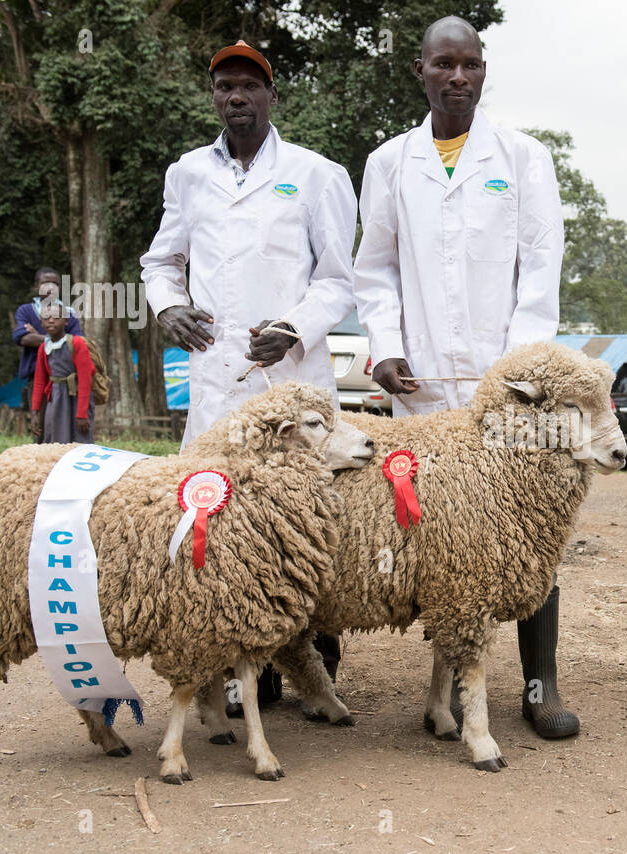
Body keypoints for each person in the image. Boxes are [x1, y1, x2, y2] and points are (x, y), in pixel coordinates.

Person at [353, 16, 574, 737]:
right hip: (419, 383)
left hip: (510, 388)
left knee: (527, 529)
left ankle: (539, 686)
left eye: (470, 65)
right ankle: (442, 690)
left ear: (484, 71)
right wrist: (383, 344)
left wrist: (521, 368)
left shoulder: (524, 156)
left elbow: (541, 266)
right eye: (443, 64)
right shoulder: (389, 161)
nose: (458, 77)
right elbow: (375, 265)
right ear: (420, 70)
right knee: (431, 535)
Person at [141, 39, 357, 707]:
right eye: (224, 85)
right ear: (214, 96)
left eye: (249, 85)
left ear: (269, 95)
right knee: (223, 517)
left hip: (289, 374)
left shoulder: (316, 172)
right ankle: (245, 660)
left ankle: (315, 645)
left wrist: (292, 327)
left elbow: (338, 281)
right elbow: (160, 261)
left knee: (300, 513)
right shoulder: (187, 173)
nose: (236, 95)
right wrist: (170, 309)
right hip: (214, 378)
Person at [13, 266, 83, 438]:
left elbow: (78, 342)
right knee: (40, 427)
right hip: (36, 379)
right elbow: (22, 338)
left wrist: (37, 336)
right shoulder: (26, 311)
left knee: (66, 427)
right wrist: (57, 338)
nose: (51, 287)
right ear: (37, 286)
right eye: (45, 283)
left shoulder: (69, 313)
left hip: (67, 380)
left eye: (55, 283)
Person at [30, 300, 94, 444]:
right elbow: (39, 382)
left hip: (77, 397)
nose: (51, 321)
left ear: (65, 320)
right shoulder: (43, 348)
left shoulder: (77, 343)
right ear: (41, 323)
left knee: (80, 437)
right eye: (46, 318)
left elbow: (85, 379)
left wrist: (82, 413)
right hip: (55, 398)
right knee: (54, 434)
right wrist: (35, 411)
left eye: (56, 317)